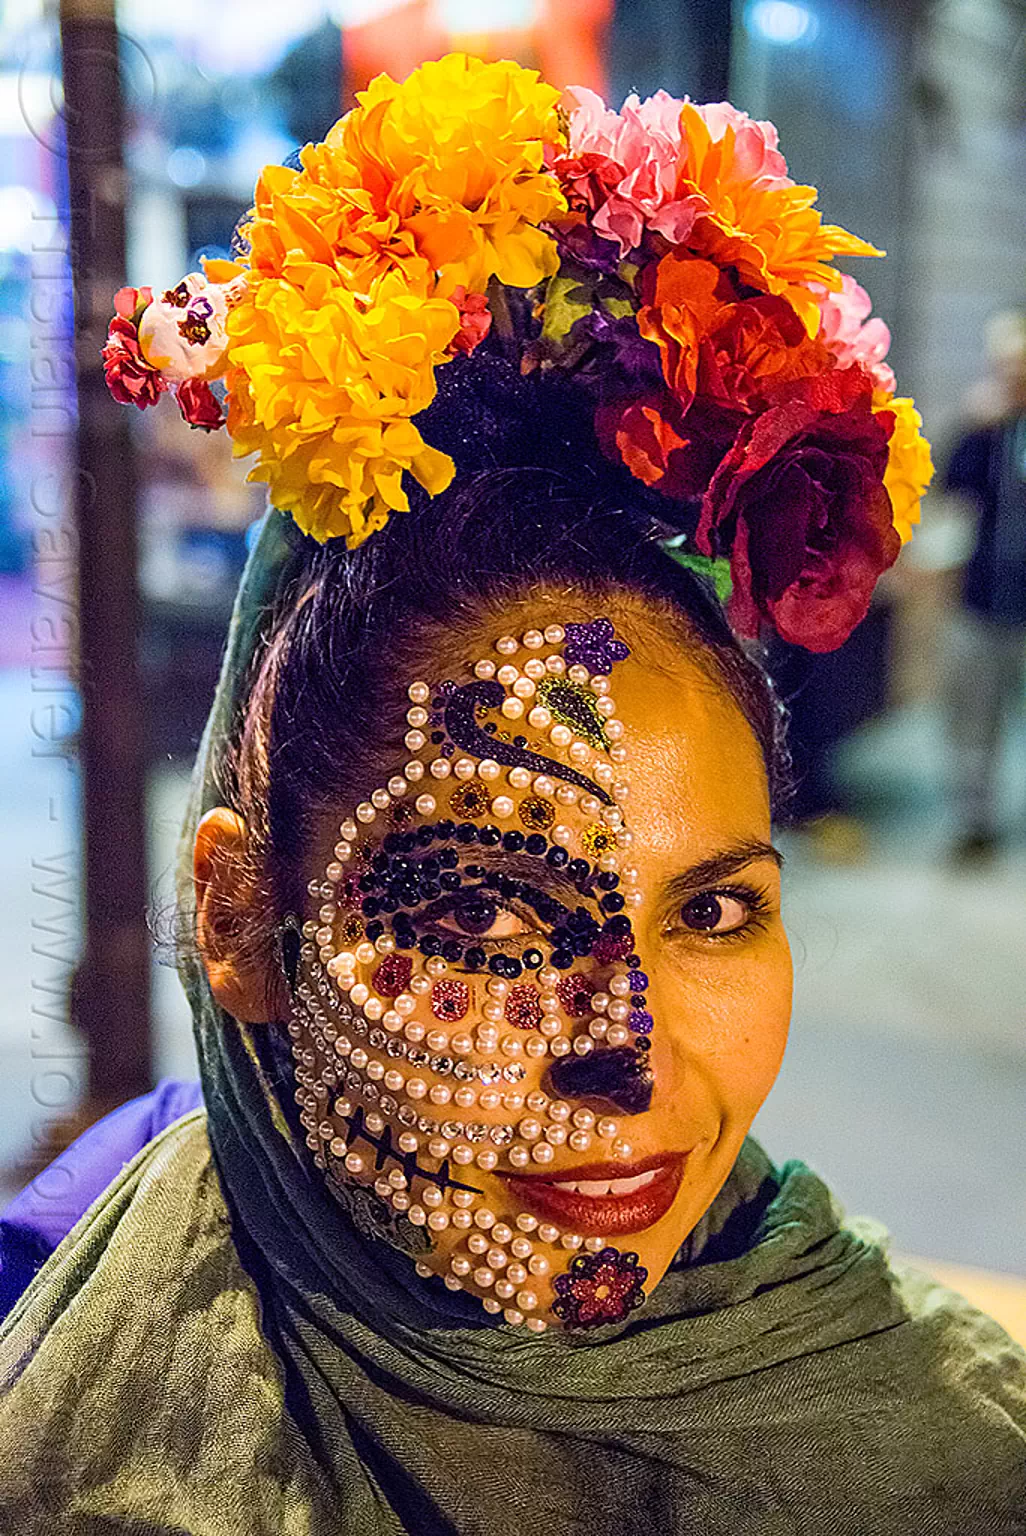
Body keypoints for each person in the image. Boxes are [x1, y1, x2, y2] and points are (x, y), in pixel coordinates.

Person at [1, 55, 1022, 1533]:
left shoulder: (941, 1455)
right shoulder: (63, 1403)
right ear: (237, 919)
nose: (632, 1065)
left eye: (716, 908)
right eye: (484, 909)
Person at [943, 308, 1026, 861]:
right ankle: (975, 821)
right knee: (972, 719)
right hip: (982, 602)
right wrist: (973, 426)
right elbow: (953, 496)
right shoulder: (985, 431)